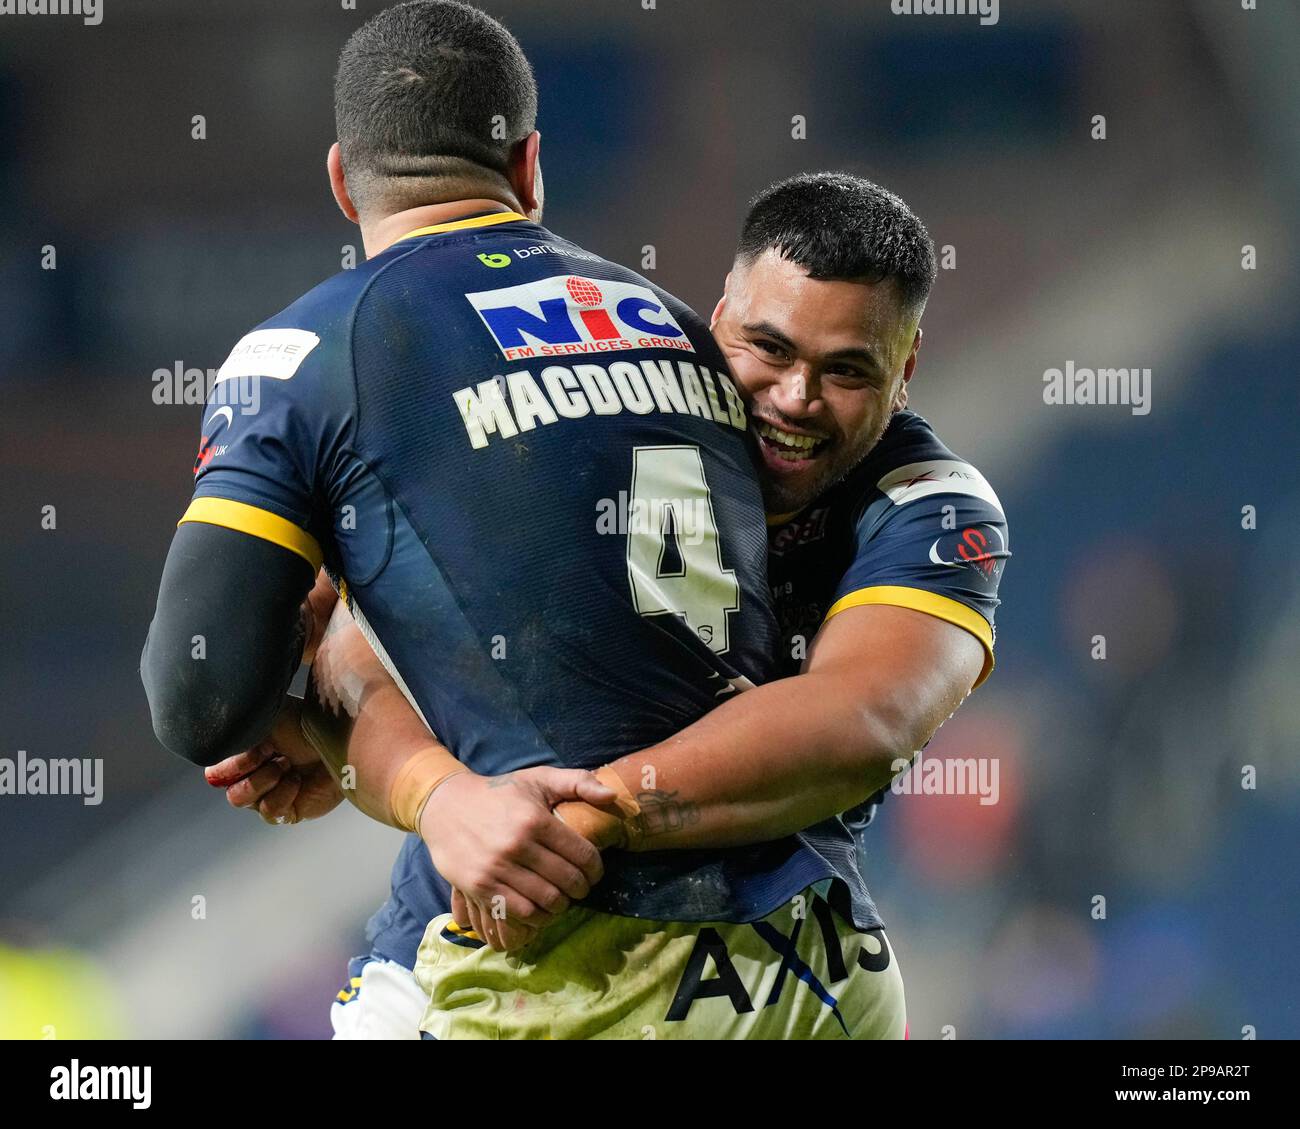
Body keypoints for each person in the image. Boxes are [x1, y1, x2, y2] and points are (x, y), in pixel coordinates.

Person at [140, 1, 925, 1040]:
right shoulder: (687, 333)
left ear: (343, 178)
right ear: (528, 165)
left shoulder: (305, 355)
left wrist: (350, 715)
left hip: (565, 958)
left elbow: (200, 697)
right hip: (808, 958)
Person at [214, 170, 1010, 1039]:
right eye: (769, 349)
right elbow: (351, 629)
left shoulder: (929, 505)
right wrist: (415, 783)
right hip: (466, 944)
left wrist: (574, 820)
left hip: (754, 963)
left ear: (907, 369)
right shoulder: (589, 405)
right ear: (718, 318)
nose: (794, 399)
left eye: (847, 370)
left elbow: (865, 717)